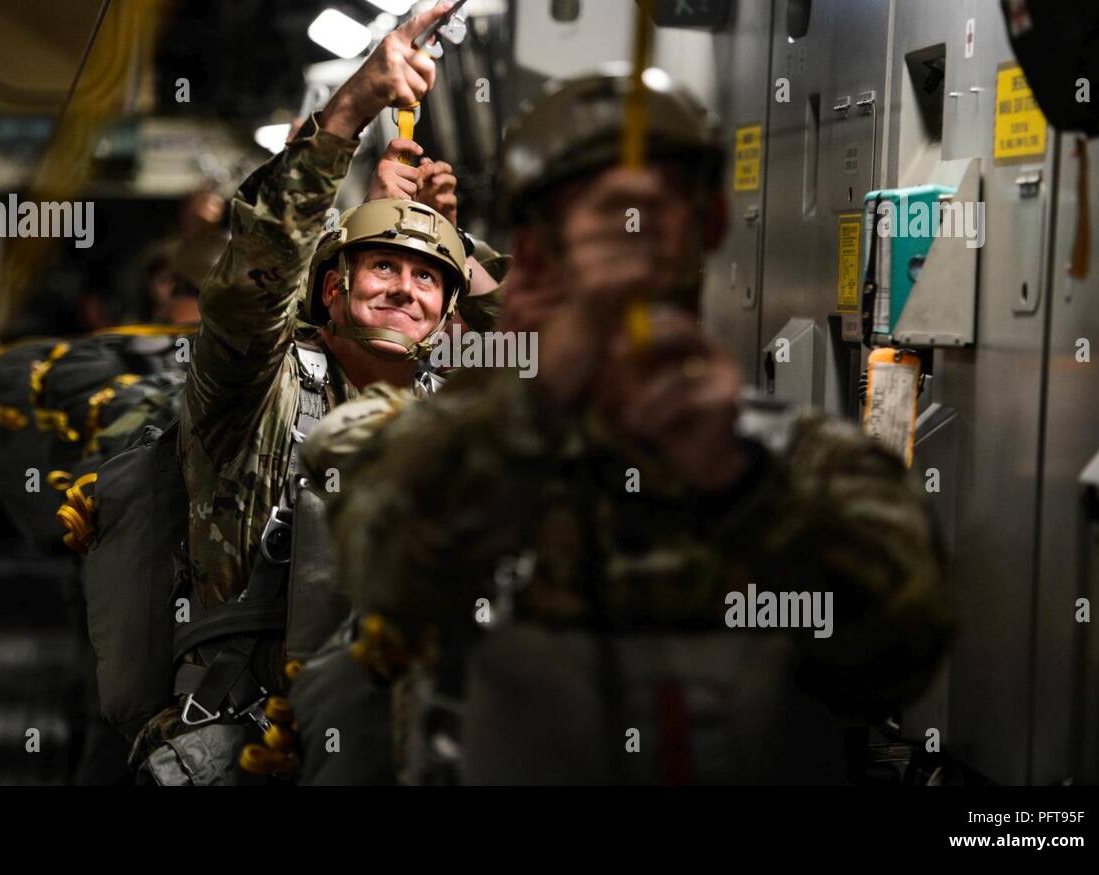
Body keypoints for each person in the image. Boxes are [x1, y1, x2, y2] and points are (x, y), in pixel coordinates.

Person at [300, 69, 954, 784]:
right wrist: (532, 383)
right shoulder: (464, 443)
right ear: (537, 246)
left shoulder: (809, 464)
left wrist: (733, 481)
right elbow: (385, 563)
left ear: (704, 226)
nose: (621, 237)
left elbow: (902, 647)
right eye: (587, 212)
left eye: (648, 208)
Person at [131, 0, 490, 783]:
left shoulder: (452, 413)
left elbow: (552, 342)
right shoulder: (259, 390)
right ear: (331, 290)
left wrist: (451, 236)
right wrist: (355, 108)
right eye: (383, 268)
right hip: (249, 745)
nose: (405, 289)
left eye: (428, 279)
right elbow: (254, 279)